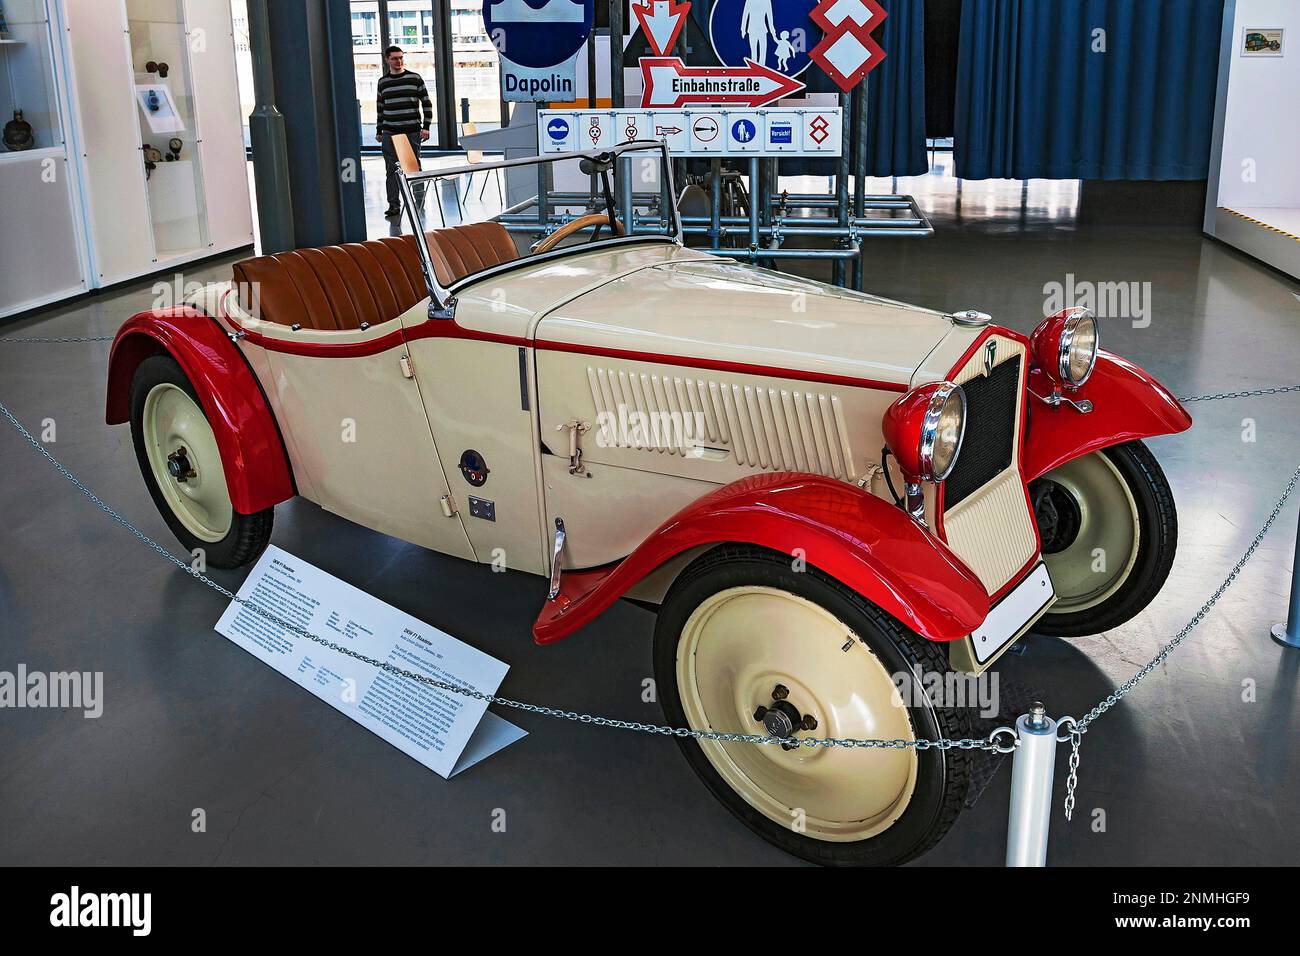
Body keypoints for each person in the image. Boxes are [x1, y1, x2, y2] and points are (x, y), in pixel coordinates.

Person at [376, 45, 432, 218]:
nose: (398, 61)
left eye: (400, 58)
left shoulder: (415, 79)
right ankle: (394, 205)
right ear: (387, 60)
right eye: (394, 58)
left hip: (412, 132)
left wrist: (426, 127)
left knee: (413, 167)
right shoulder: (383, 82)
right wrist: (379, 130)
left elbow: (427, 103)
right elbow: (380, 108)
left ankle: (419, 201)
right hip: (390, 132)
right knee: (391, 170)